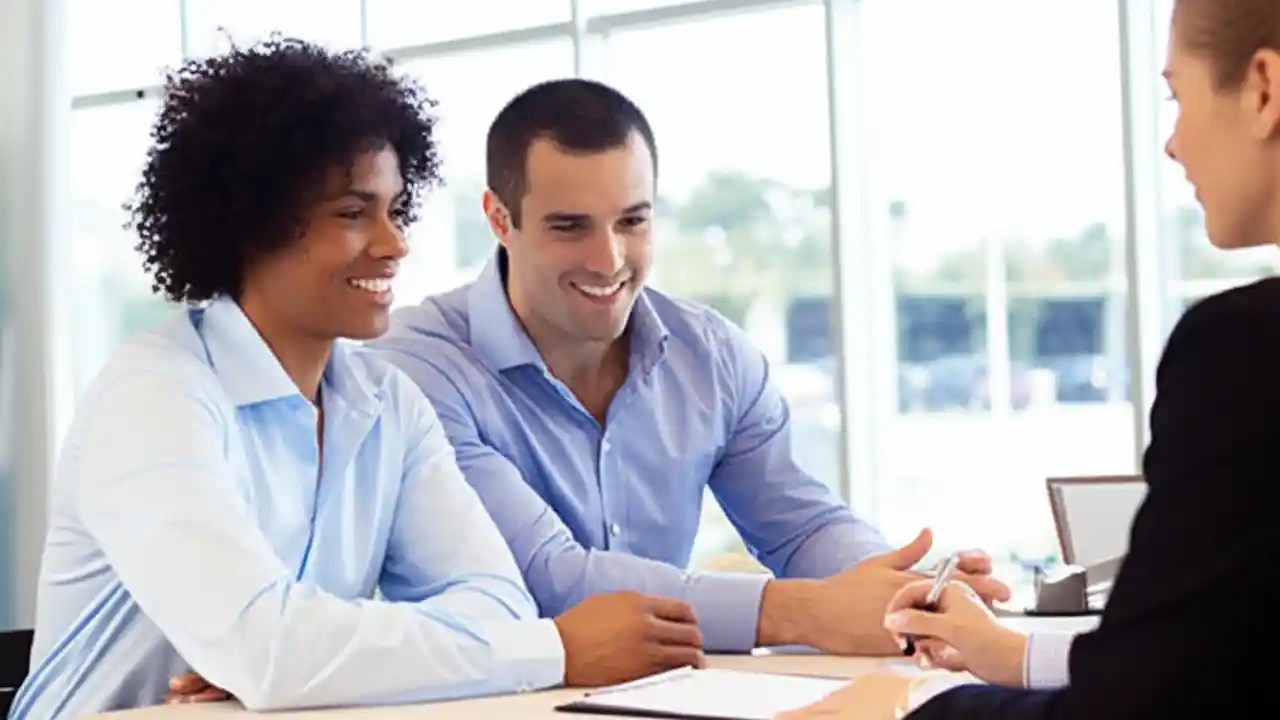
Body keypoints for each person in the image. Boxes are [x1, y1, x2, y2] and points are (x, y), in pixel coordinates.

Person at [8, 40, 703, 720]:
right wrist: (554, 650)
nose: (394, 243)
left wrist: (307, 662)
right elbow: (270, 651)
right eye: (352, 213)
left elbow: (496, 602)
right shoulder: (154, 394)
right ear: (252, 223)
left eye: (394, 210)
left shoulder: (388, 403)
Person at [366, 78, 1009, 658]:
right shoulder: (414, 369)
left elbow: (801, 527)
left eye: (632, 221)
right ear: (499, 219)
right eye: (570, 227)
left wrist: (908, 592)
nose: (608, 259)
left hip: (673, 693)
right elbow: (547, 577)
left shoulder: (714, 357)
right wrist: (798, 612)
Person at [778, 1, 1276, 717]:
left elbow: (1139, 709)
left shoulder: (1244, 350)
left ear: (1262, 90)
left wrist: (903, 713)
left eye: (1177, 97)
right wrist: (1011, 653)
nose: (1172, 144)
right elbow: (1218, 655)